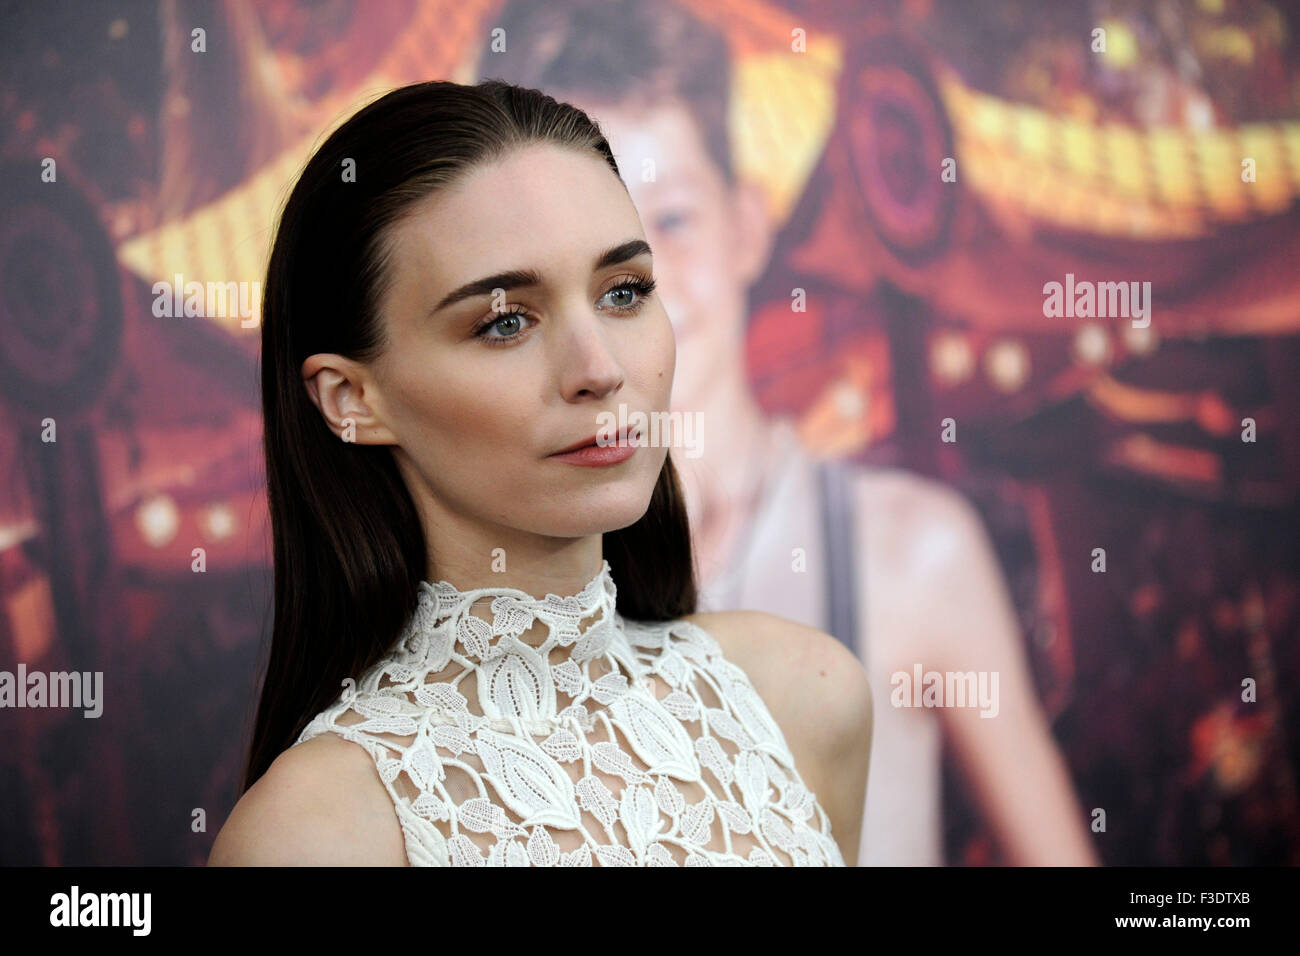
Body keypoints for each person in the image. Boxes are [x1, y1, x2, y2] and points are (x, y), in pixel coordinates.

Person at [475, 0, 1099, 865]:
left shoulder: (910, 557)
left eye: (676, 222)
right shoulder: (477, 608)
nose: (631, 287)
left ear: (747, 227)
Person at [208, 78, 873, 867]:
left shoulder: (803, 695)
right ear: (353, 398)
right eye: (505, 322)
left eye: (623, 292)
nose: (598, 369)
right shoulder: (316, 832)